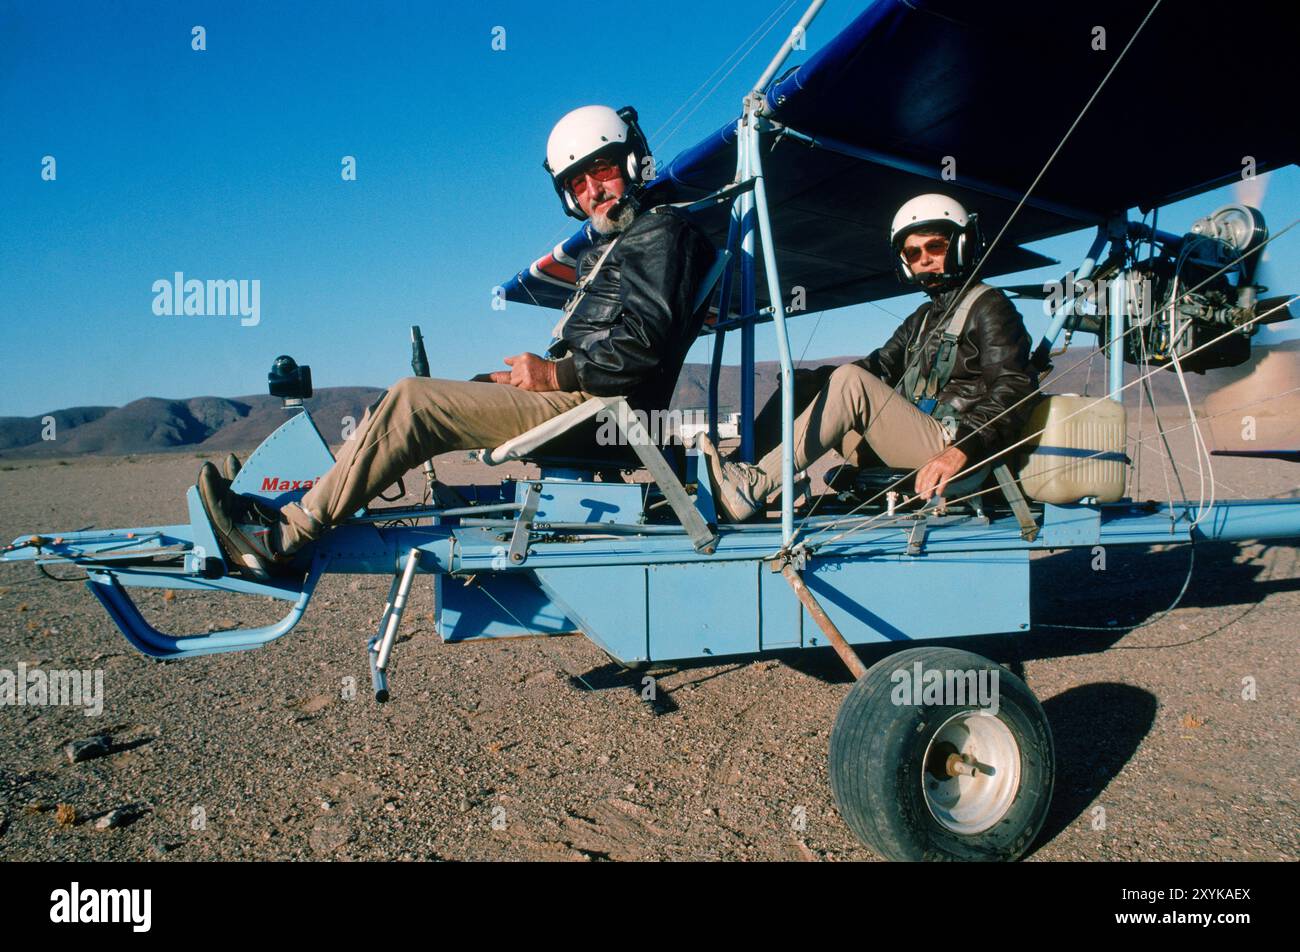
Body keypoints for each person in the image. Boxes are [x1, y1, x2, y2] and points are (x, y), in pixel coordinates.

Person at [199, 104, 716, 579]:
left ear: (631, 162)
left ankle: (280, 534)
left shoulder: (660, 231)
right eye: (577, 183)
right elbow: (606, 347)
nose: (593, 191)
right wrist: (522, 379)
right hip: (584, 402)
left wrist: (551, 374)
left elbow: (641, 347)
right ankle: (286, 500)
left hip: (604, 411)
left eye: (601, 170)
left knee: (415, 401)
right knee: (439, 391)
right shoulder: (607, 248)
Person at [698, 193, 1037, 521]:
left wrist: (963, 447)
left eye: (935, 246)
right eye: (913, 252)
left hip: (959, 450)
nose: (925, 259)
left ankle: (751, 486)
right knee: (807, 382)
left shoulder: (991, 308)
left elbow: (1015, 388)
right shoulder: (922, 318)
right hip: (918, 441)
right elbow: (878, 366)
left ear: (960, 246)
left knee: (848, 381)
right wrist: (816, 382)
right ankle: (737, 476)